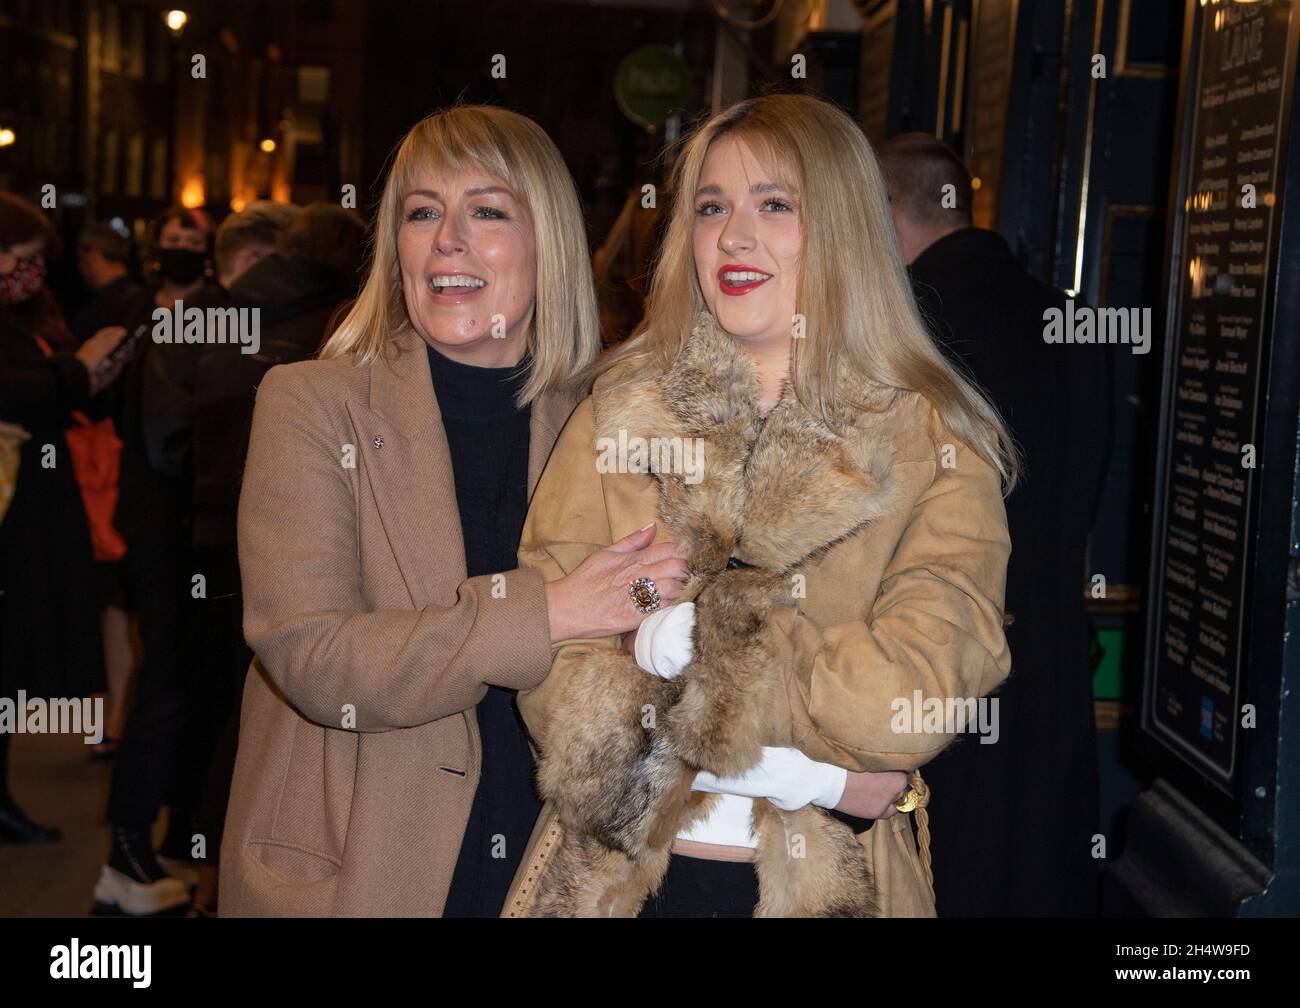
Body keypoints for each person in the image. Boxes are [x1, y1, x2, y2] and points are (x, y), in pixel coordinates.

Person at [502, 94, 1016, 918]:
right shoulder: (621, 413)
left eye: (774, 204)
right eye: (712, 208)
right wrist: (826, 775)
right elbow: (554, 683)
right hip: (612, 888)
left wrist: (683, 640)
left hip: (833, 889)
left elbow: (916, 695)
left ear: (845, 226)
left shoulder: (932, 437)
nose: (734, 237)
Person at [219, 105, 688, 917]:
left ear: (548, 242)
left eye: (487, 211)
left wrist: (637, 606)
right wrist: (546, 612)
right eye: (423, 211)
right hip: (359, 862)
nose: (447, 240)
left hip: (550, 862)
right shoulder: (312, 405)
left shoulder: (611, 419)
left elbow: (650, 597)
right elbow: (312, 654)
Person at [879, 132, 1112, 916]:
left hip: (937, 672)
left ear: (884, 212)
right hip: (1051, 673)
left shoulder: (905, 334)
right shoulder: (1072, 324)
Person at [187, 202, 366, 914]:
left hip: (211, 533)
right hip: (288, 547)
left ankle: (208, 868)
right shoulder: (344, 328)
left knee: (238, 708)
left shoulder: (215, 312)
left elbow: (171, 423)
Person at [0, 192, 125, 842]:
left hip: (32, 506)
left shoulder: (29, 312)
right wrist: (75, 370)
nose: (30, 272)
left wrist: (83, 377)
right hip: (12, 510)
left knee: (16, 654)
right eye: (20, 258)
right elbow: (19, 391)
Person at [72, 222, 145, 759]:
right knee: (123, 598)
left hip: (112, 465)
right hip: (120, 465)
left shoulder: (108, 307)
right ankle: (119, 717)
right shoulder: (141, 302)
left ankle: (120, 718)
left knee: (121, 598)